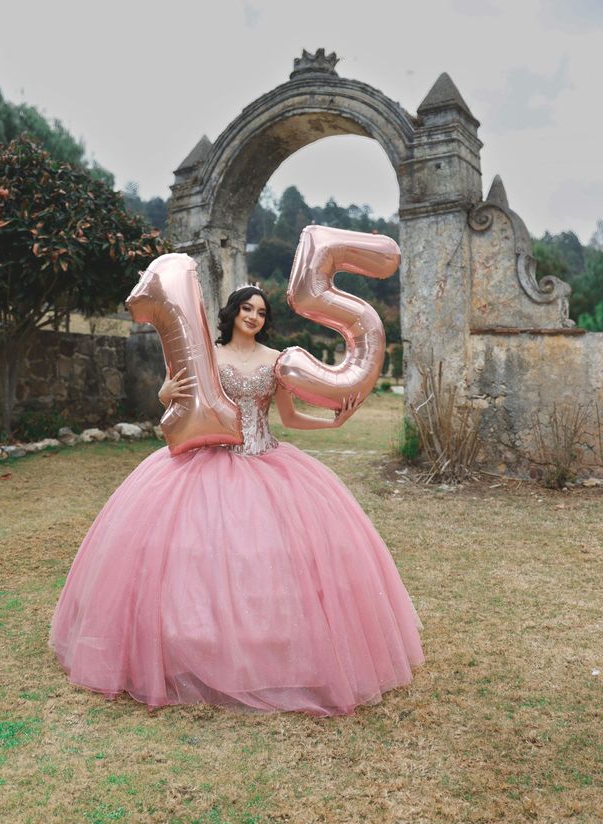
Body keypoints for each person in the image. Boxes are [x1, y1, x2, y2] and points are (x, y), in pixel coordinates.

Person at [50, 286, 423, 715]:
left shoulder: (276, 360)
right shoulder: (209, 355)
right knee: (198, 555)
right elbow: (180, 400)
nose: (253, 317)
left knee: (274, 557)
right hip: (210, 460)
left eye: (261, 312)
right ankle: (192, 644)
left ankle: (273, 648)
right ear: (233, 312)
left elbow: (288, 417)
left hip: (266, 458)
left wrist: (334, 423)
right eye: (247, 308)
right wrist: (165, 392)